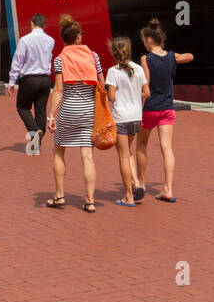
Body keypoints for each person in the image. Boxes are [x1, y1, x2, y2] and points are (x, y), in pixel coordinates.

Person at [46, 14, 104, 212]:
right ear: (78, 37)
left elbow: (59, 90)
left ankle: (60, 196)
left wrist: (51, 116)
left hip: (69, 109)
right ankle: (89, 201)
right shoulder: (94, 56)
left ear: (64, 39)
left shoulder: (60, 59)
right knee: (87, 155)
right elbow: (101, 84)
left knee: (59, 150)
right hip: (89, 110)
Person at [136, 18, 193, 204]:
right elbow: (190, 56)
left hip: (150, 108)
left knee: (142, 145)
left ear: (149, 40)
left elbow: (146, 85)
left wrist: (139, 105)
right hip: (167, 109)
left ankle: (142, 183)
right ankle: (168, 188)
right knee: (167, 148)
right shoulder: (171, 56)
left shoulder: (146, 58)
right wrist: (174, 56)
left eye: (144, 40)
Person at [105, 36, 146, 207]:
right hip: (136, 116)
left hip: (120, 117)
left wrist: (108, 94)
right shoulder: (139, 69)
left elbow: (112, 96)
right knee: (128, 151)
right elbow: (145, 92)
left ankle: (128, 196)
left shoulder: (113, 71)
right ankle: (136, 182)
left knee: (122, 155)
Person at [7, 13, 54, 156]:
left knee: (22, 107)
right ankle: (36, 146)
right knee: (41, 110)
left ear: (32, 23)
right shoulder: (50, 40)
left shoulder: (25, 40)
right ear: (44, 25)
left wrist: (11, 81)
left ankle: (34, 131)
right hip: (45, 79)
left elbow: (18, 60)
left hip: (29, 78)